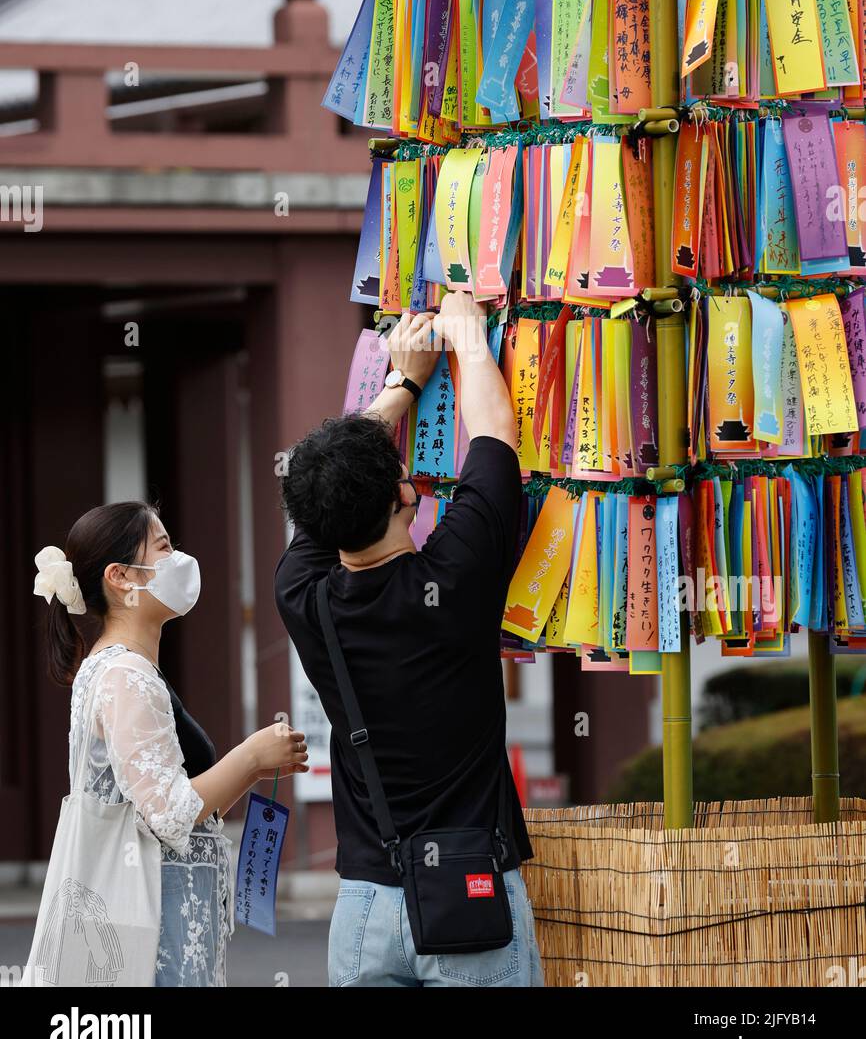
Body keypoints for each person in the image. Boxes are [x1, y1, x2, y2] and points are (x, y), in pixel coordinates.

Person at [276, 291, 544, 987]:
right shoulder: (452, 578)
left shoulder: (303, 596)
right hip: (471, 898)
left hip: (363, 908)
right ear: (406, 497)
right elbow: (494, 436)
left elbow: (327, 490)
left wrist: (399, 384)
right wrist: (467, 337)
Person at [31, 501, 309, 986]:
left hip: (156, 921)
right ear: (120, 576)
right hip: (154, 933)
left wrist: (251, 770)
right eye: (164, 547)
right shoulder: (125, 675)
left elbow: (161, 801)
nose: (179, 558)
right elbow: (169, 812)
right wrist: (250, 756)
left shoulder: (119, 669)